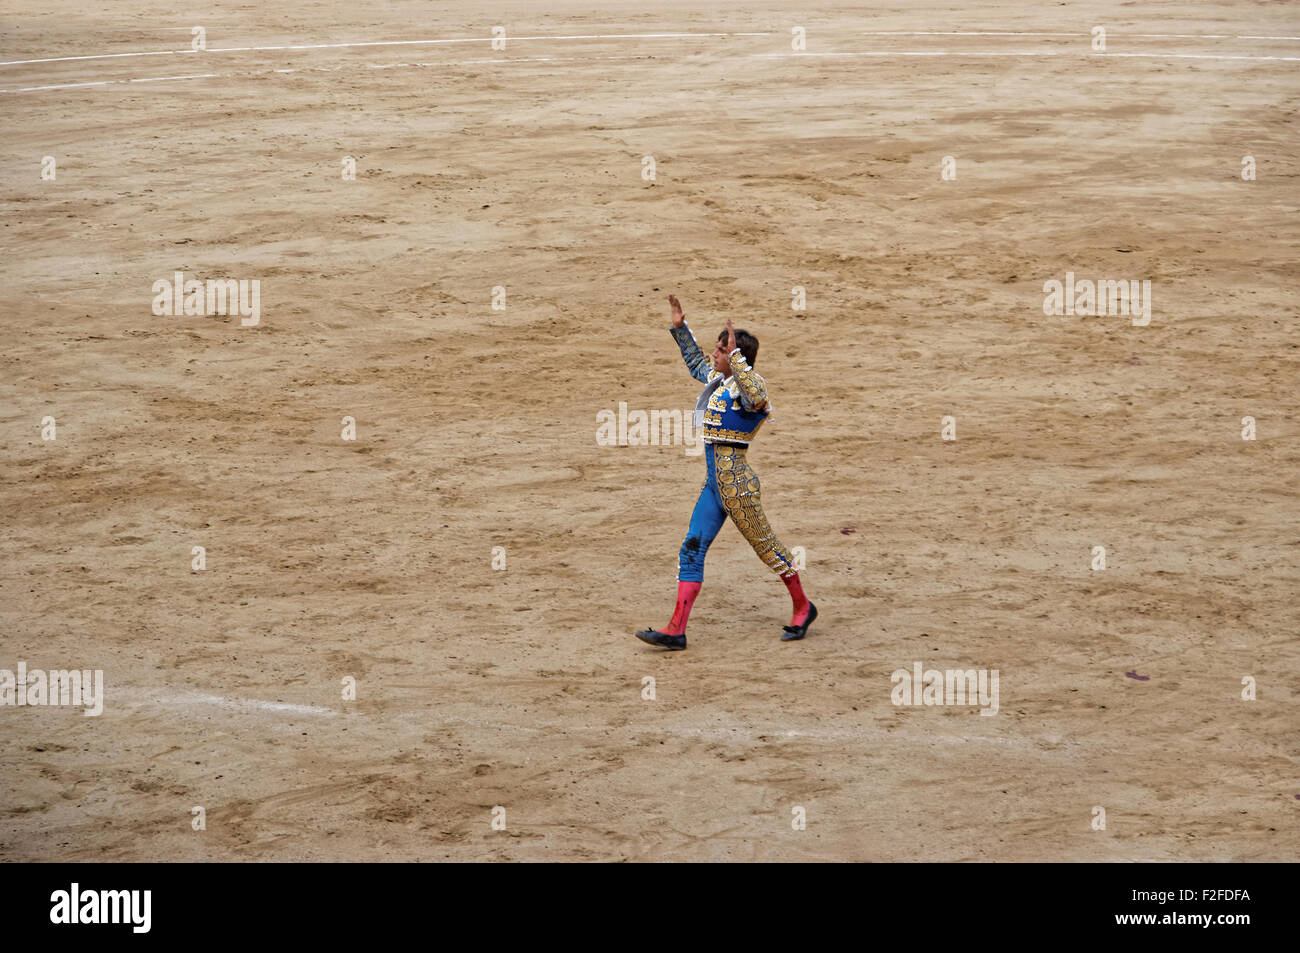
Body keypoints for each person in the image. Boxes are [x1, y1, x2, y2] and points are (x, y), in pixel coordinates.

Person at [636, 294, 817, 651]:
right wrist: (679, 329)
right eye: (719, 350)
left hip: (737, 486)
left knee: (767, 548)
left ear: (736, 357)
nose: (714, 355)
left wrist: (736, 358)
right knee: (691, 547)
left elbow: (755, 394)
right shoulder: (720, 381)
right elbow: (694, 364)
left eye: (720, 350)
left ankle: (803, 606)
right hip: (714, 486)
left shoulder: (751, 389)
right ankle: (676, 630)